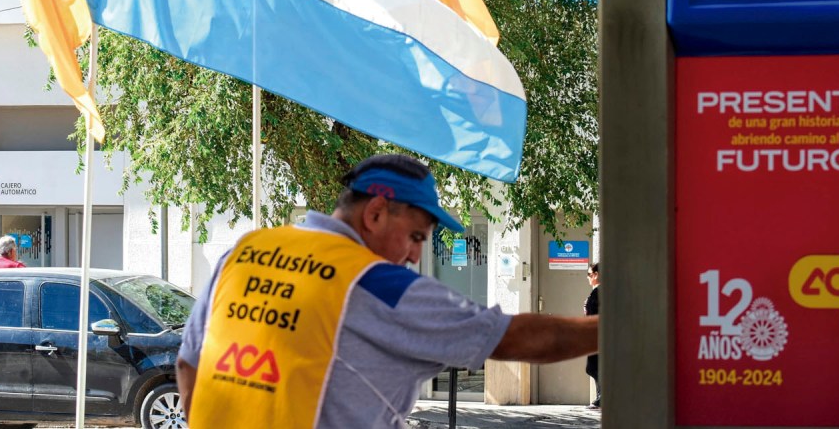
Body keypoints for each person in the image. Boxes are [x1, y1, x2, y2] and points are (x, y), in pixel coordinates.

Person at [177, 154, 599, 428]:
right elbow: (516, 337)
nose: (416, 256)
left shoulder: (244, 253)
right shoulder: (378, 284)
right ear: (376, 213)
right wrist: (621, 326)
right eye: (416, 236)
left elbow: (189, 366)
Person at [584, 262, 601, 409]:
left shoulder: (599, 292)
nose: (588, 278)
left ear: (596, 275)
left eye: (589, 275)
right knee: (593, 366)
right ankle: (600, 396)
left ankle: (602, 397)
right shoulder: (595, 292)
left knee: (595, 366)